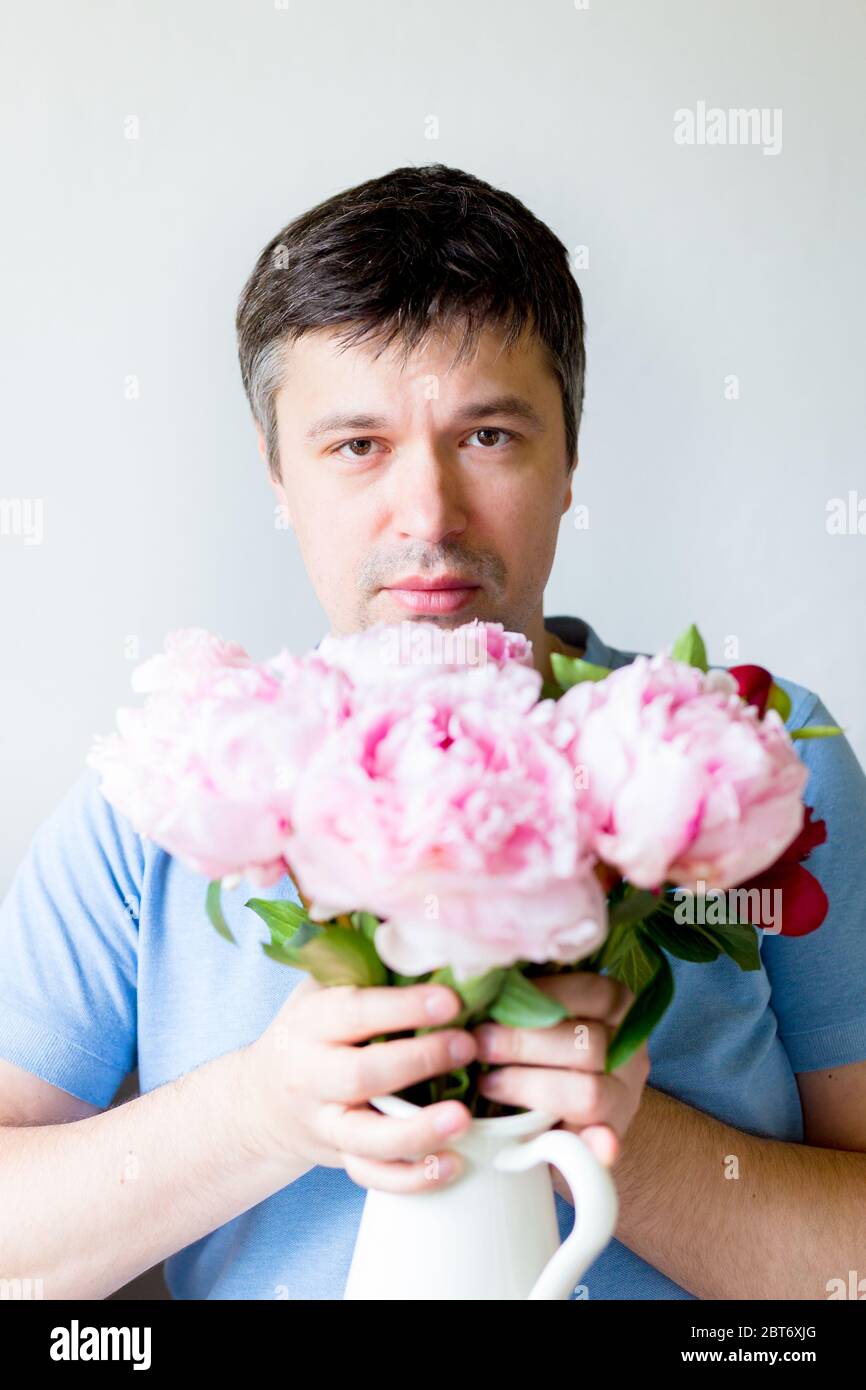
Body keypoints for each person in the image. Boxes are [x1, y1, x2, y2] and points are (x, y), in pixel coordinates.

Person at [1, 165, 864, 1301]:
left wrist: (612, 1137)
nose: (428, 517)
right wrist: (264, 1112)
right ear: (278, 473)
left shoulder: (746, 759)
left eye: (490, 435)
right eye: (355, 444)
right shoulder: (169, 786)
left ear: (569, 458)